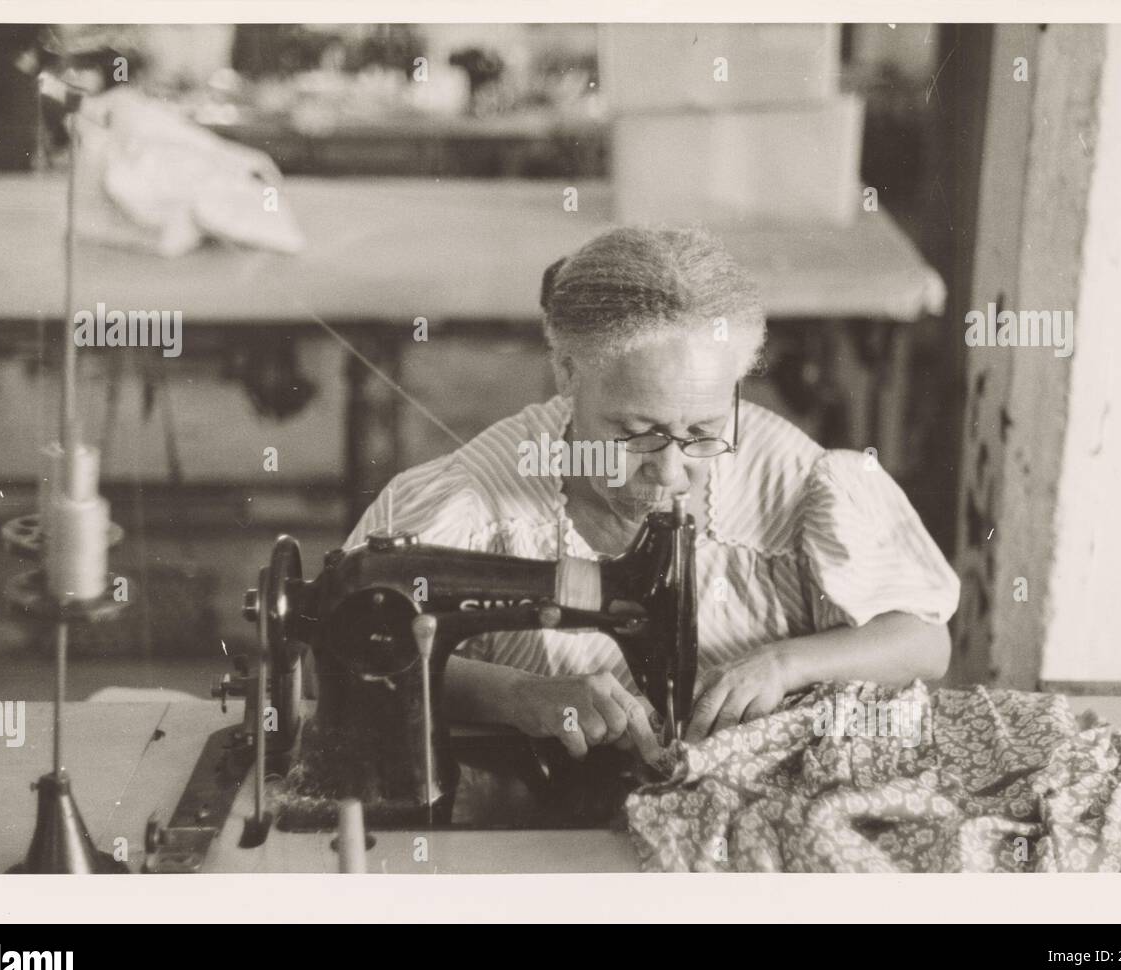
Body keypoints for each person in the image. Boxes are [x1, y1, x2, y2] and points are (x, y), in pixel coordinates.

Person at [346, 226, 959, 761]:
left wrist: (787, 663)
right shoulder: (479, 496)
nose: (670, 472)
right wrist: (516, 695)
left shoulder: (797, 480)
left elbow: (925, 644)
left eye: (705, 431)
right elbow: (356, 647)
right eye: (636, 433)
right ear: (566, 371)